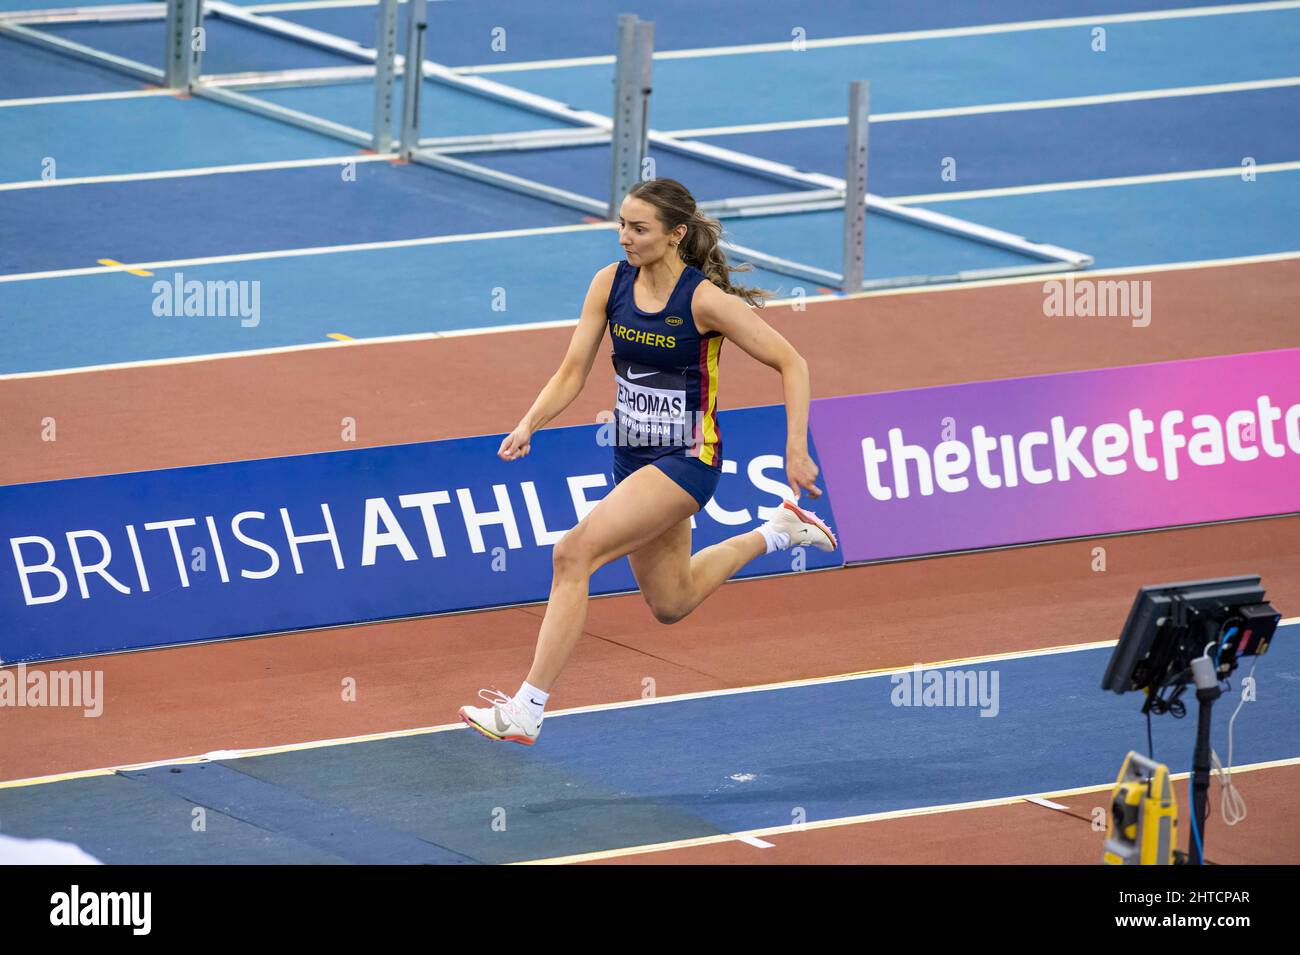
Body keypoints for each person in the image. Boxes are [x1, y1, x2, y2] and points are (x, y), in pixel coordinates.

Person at [458, 178, 836, 745]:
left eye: (638, 228)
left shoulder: (703, 301)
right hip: (631, 457)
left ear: (675, 234)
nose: (624, 237)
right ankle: (778, 531)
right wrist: (529, 422)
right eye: (621, 225)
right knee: (671, 601)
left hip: (688, 459)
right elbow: (572, 371)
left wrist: (796, 447)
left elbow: (792, 362)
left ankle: (527, 709)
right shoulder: (609, 283)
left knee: (572, 553)